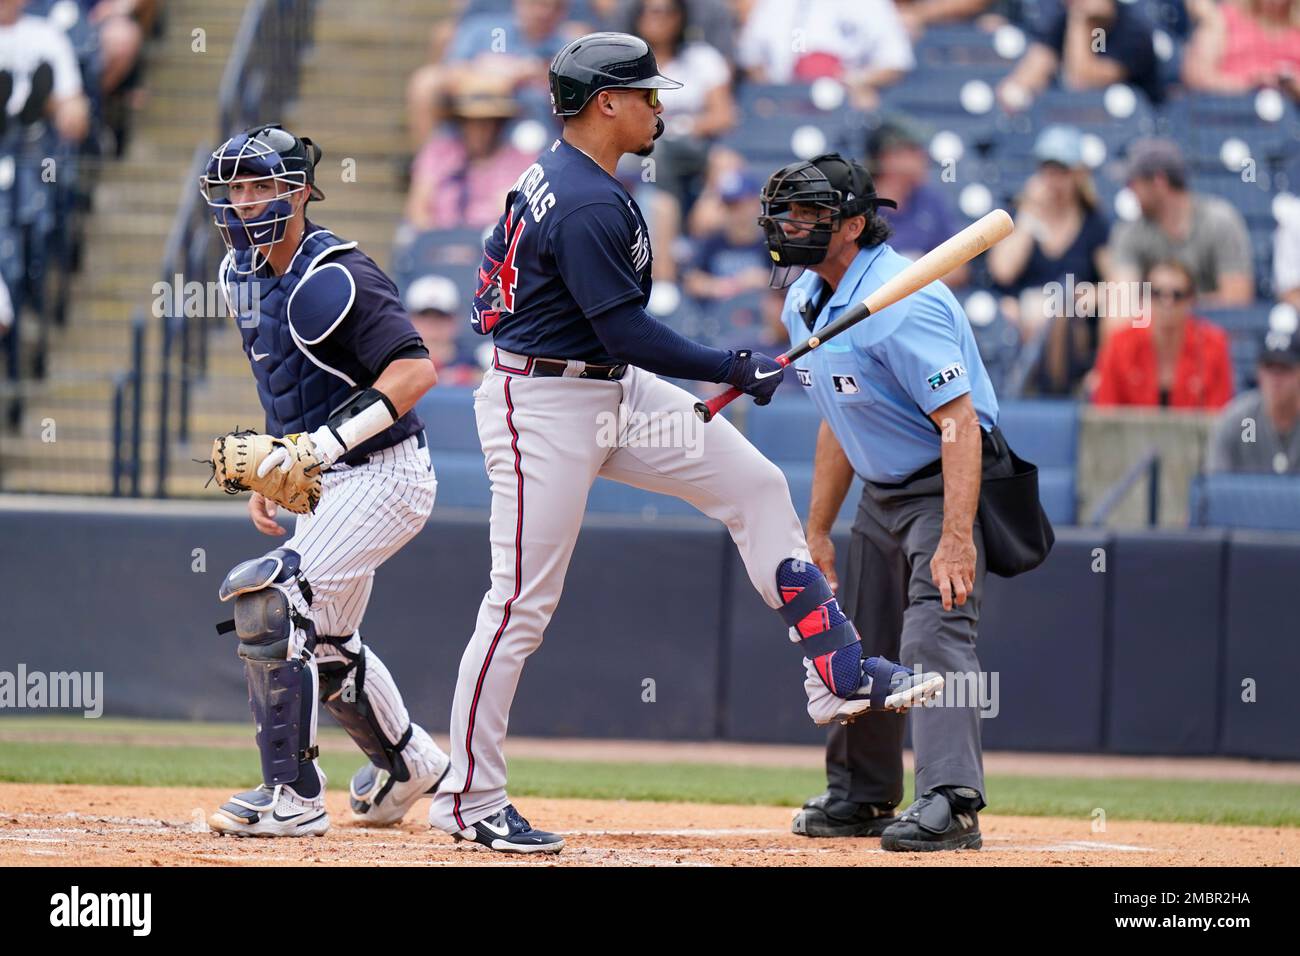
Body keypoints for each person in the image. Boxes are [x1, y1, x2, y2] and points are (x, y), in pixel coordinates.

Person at [429, 32, 942, 855]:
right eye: (644, 94)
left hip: (606, 389)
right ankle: (468, 798)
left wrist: (718, 367)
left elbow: (615, 339)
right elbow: (623, 328)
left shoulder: (576, 179)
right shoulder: (589, 198)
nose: (658, 107)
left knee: (755, 486)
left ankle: (832, 669)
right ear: (606, 103)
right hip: (546, 403)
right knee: (519, 604)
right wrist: (727, 363)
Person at [198, 125, 451, 836]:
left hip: (386, 474)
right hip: (325, 478)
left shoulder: (336, 272)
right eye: (235, 189)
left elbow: (415, 373)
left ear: (300, 191)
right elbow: (288, 381)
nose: (245, 203)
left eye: (261, 186)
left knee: (271, 597)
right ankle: (409, 763)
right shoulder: (236, 274)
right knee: (330, 640)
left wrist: (316, 448)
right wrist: (281, 462)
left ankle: (294, 797)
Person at [766, 153, 1010, 852]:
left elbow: (960, 421)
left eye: (809, 213)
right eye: (788, 211)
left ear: (854, 225)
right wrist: (817, 528)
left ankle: (952, 800)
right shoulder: (802, 301)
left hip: (946, 483)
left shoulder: (907, 299)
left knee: (936, 633)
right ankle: (863, 794)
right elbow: (840, 419)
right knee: (858, 637)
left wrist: (957, 536)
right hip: (880, 493)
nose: (792, 225)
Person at [987, 125, 1110, 394]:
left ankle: (1050, 393)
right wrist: (1029, 213)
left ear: (1078, 175)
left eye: (1062, 171)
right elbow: (1003, 271)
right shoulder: (1021, 215)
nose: (1053, 180)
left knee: (1057, 310)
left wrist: (1092, 294)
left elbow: (1115, 284)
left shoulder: (1093, 222)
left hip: (1072, 325)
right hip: (1021, 320)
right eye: (1047, 170)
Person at [1105, 138, 1255, 320]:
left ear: (1159, 181)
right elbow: (1120, 309)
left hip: (1212, 339)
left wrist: (1168, 307)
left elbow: (1236, 301)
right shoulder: (1129, 232)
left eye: (1132, 184)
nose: (1130, 192)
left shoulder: (1220, 222)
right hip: (1153, 342)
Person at [1091, 259, 1234, 408]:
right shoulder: (1120, 344)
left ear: (1191, 299)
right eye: (1157, 294)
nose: (1167, 303)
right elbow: (1105, 411)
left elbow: (1218, 416)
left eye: (1177, 295)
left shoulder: (1214, 345)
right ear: (1145, 297)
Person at [405, 73, 534, 231]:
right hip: (436, 245)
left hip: (491, 248)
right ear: (460, 122)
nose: (479, 130)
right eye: (471, 122)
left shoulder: (520, 161)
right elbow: (418, 208)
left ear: (499, 124)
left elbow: (519, 219)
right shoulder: (438, 153)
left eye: (487, 122)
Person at [735, 0, 914, 109]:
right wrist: (772, 94)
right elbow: (751, 56)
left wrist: (857, 81)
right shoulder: (775, 4)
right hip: (785, 101)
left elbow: (896, 60)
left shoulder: (870, 3)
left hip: (846, 100)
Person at [996, 0, 1163, 112]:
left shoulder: (1133, 31)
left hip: (1123, 127)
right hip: (1073, 120)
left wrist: (1081, 22)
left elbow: (1081, 82)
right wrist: (1019, 90)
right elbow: (1028, 75)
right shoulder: (1061, 23)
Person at [866, 116, 968, 287]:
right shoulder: (859, 207)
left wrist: (917, 273)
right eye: (913, 150)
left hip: (921, 303)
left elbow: (959, 270)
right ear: (888, 158)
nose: (924, 157)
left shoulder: (930, 200)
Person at [1206, 326, 1300, 474]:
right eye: (1269, 368)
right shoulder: (1237, 421)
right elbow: (1216, 488)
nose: (1276, 379)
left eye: (1285, 368)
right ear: (1258, 371)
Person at [0, 0, 91, 144]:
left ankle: (30, 115)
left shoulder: (46, 33)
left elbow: (71, 98)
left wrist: (72, 114)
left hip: (37, 133)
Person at [1182, 0, 1300, 95]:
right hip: (1234, 113)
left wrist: (1293, 86)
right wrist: (1249, 84)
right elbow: (1196, 76)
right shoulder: (1222, 18)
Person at [404, 273, 484, 387]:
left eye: (441, 316)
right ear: (411, 319)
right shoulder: (397, 362)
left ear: (455, 320)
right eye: (424, 316)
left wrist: (468, 377)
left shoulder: (472, 362)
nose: (432, 324)